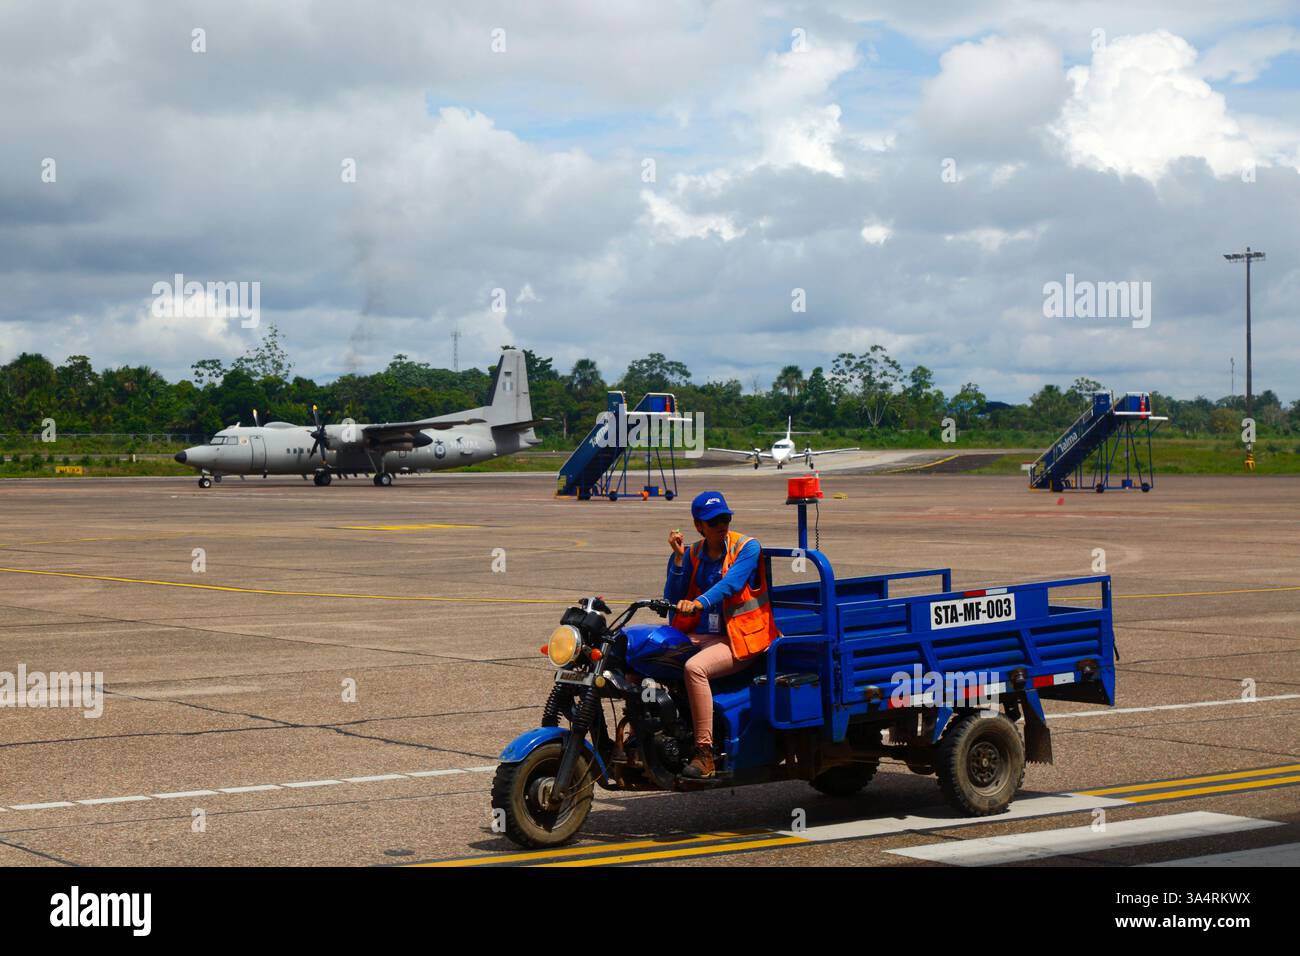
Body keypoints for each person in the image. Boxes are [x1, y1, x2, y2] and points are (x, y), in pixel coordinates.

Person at [664, 490, 780, 779]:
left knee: (695, 668)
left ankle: (705, 754)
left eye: (725, 518)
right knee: (643, 657)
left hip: (742, 639)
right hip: (703, 635)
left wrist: (700, 602)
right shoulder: (691, 553)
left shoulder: (747, 547)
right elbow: (672, 596)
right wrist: (678, 562)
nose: (721, 525)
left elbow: (731, 585)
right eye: (713, 521)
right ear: (698, 526)